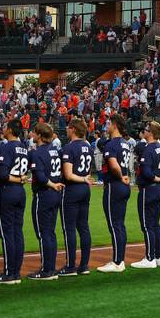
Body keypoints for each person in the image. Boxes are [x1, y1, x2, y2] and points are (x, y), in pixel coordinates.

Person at [0, 118, 28, 284]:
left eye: (6, 126)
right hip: (20, 192)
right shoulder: (23, 147)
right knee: (17, 231)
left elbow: (4, 175)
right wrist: (21, 179)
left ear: (11, 130)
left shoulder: (6, 147)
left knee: (7, 233)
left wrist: (17, 179)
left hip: (7, 191)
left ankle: (9, 273)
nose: (3, 128)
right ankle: (16, 271)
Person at [28, 122, 64, 280]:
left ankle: (46, 270)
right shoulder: (55, 150)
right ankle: (51, 267)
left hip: (44, 194)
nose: (32, 135)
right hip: (56, 194)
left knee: (43, 233)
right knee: (50, 232)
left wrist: (52, 184)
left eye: (35, 132)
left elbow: (41, 177)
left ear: (40, 136)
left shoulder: (37, 153)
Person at [132, 122, 160, 269]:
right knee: (155, 224)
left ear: (150, 133)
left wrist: (156, 178)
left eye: (146, 130)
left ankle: (149, 258)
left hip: (149, 189)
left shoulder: (149, 149)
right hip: (159, 189)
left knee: (147, 225)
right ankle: (159, 257)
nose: (143, 132)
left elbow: (146, 172)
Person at [60, 118, 94, 276]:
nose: (67, 130)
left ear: (73, 129)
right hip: (85, 190)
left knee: (70, 228)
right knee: (84, 227)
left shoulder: (69, 148)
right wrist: (85, 179)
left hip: (73, 188)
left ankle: (70, 265)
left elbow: (68, 174)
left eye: (68, 127)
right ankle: (84, 265)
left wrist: (82, 179)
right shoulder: (88, 147)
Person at [99, 114, 132, 272]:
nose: (107, 125)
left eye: (109, 123)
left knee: (115, 225)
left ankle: (118, 262)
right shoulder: (125, 143)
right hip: (123, 186)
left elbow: (113, 165)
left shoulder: (111, 144)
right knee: (120, 224)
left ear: (115, 125)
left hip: (114, 185)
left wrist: (120, 176)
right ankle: (120, 259)